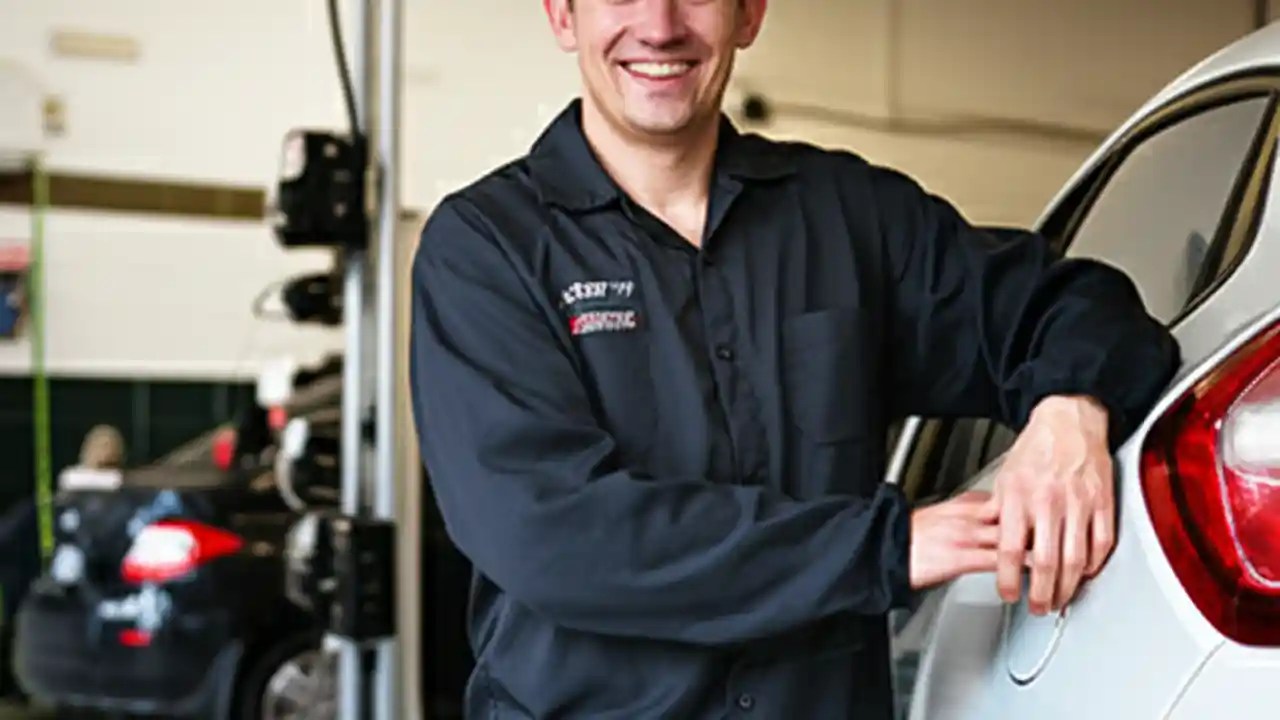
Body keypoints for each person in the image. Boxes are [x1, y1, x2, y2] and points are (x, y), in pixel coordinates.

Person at [407, 1, 1180, 718]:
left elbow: (1075, 307)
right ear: (561, 12)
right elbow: (556, 536)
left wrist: (1071, 413)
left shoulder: (849, 217)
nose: (660, 25)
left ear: (749, 12)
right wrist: (885, 547)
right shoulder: (488, 250)